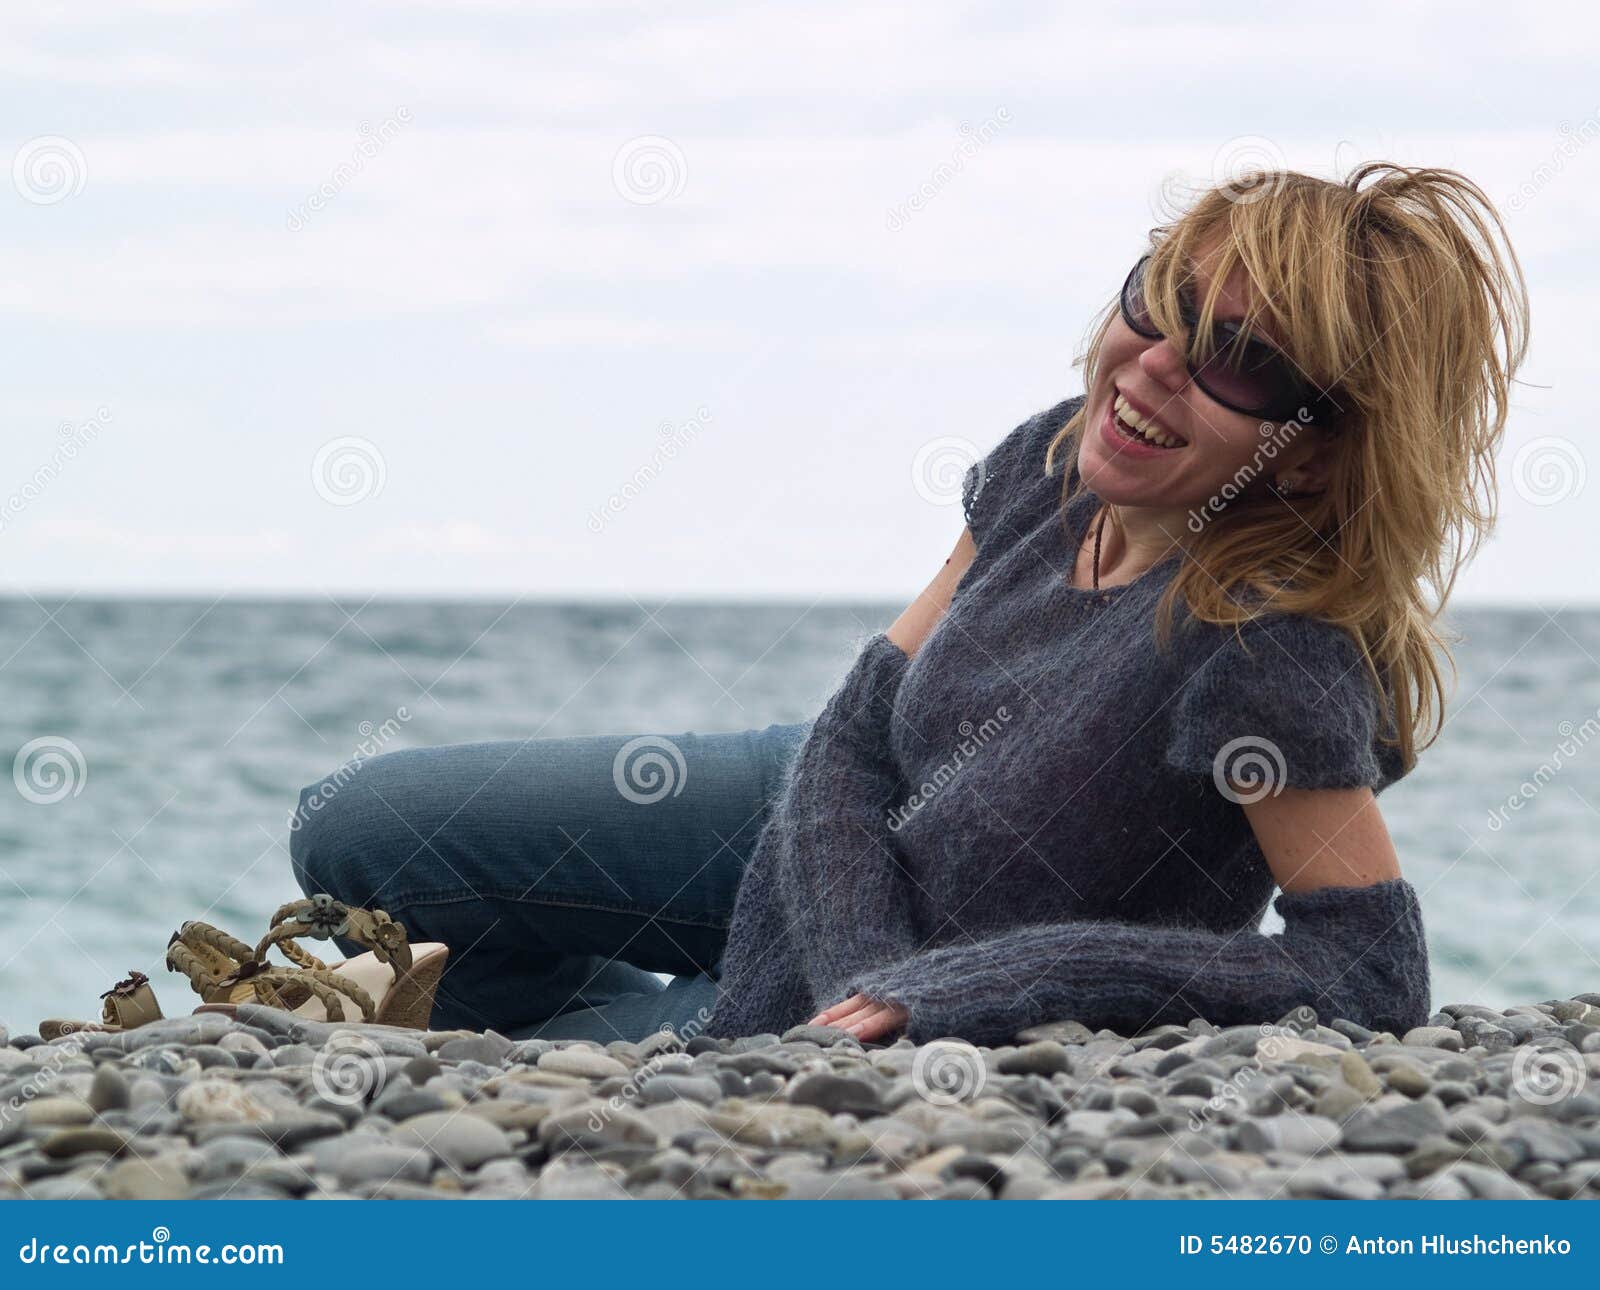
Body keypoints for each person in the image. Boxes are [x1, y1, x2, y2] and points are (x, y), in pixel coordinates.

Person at [288, 162, 1528, 1048]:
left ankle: (585, 1005)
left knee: (493, 1057)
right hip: (814, 821)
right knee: (351, 827)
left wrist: (990, 983)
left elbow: (1365, 973)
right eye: (1162, 296)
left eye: (1239, 359)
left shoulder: (1268, 649)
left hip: (906, 960)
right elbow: (857, 727)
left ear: (1313, 451)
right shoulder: (1053, 460)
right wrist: (861, 952)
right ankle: (581, 970)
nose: (1153, 363)